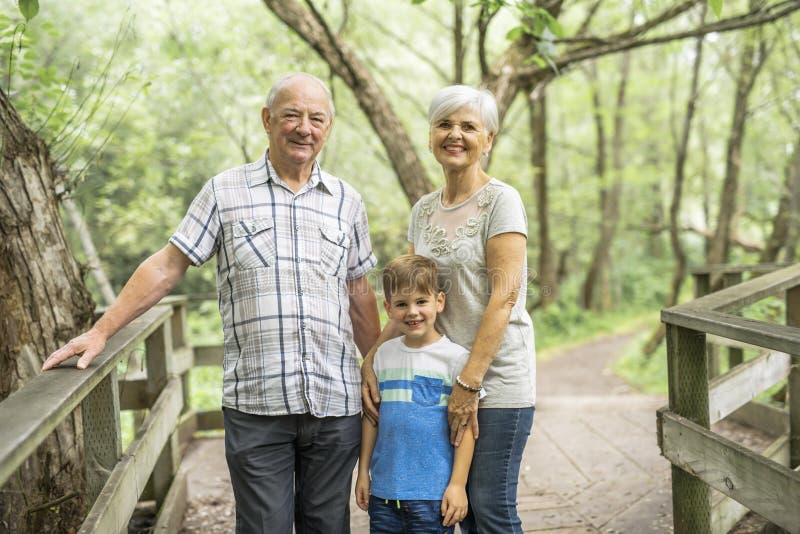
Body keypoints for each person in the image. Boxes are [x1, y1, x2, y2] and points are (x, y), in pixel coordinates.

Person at [43, 72, 381, 533]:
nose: (305, 128)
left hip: (334, 402)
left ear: (328, 127)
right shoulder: (225, 192)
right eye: (292, 116)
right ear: (267, 120)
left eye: (316, 118)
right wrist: (102, 330)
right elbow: (166, 267)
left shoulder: (347, 201)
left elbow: (359, 292)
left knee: (328, 526)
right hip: (257, 406)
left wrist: (380, 367)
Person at [361, 85, 535, 533]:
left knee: (489, 506)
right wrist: (371, 359)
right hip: (439, 377)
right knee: (453, 507)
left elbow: (505, 295)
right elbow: (410, 296)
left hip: (492, 378)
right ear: (431, 135)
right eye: (444, 124)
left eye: (468, 126)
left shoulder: (502, 201)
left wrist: (469, 383)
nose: (455, 134)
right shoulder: (422, 210)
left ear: (488, 140)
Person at [355, 254, 478, 533]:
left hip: (433, 498)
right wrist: (363, 472)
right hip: (384, 496)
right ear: (388, 308)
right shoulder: (382, 356)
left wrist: (458, 485)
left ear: (439, 301)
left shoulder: (456, 359)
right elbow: (372, 418)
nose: (412, 312)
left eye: (421, 301)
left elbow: (466, 428)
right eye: (401, 304)